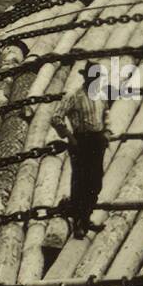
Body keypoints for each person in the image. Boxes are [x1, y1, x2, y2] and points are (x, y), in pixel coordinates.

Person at [52, 59, 109, 238]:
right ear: (86, 78)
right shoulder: (74, 96)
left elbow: (105, 114)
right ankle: (78, 222)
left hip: (97, 141)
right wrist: (69, 137)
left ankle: (86, 218)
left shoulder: (100, 95)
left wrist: (106, 132)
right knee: (80, 182)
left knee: (96, 182)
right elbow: (56, 118)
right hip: (81, 141)